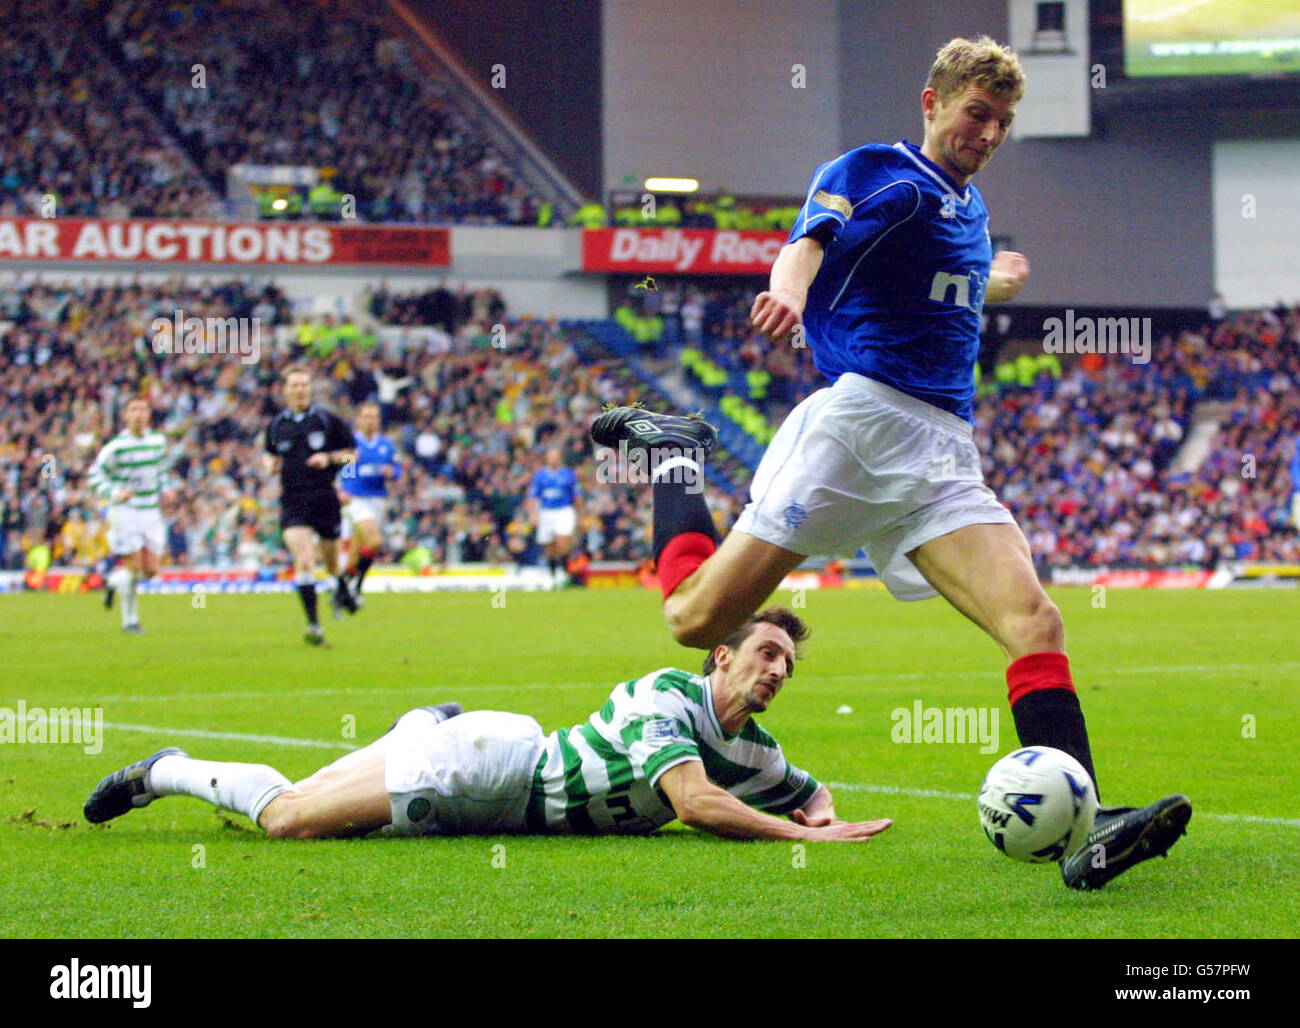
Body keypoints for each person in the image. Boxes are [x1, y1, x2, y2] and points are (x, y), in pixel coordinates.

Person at [591, 36, 1189, 890]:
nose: (987, 133)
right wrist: (789, 292)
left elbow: (950, 281)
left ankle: (1085, 819)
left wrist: (999, 278)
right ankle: (677, 458)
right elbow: (810, 242)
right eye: (975, 113)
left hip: (944, 449)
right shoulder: (882, 172)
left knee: (1036, 623)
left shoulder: (967, 207)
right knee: (694, 622)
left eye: (1003, 123)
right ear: (932, 101)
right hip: (862, 425)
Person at [83, 608, 891, 843]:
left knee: (320, 803)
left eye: (789, 663)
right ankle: (166, 770)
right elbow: (692, 803)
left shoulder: (757, 749)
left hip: (500, 795)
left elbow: (807, 790)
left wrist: (819, 811)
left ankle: (415, 724)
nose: (778, 670)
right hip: (497, 769)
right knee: (292, 819)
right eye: (767, 652)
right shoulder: (665, 697)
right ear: (722, 656)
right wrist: (801, 839)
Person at [263, 365, 357, 645]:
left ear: (310, 389)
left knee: (331, 563)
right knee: (303, 560)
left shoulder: (327, 421)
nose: (300, 390)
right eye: (295, 385)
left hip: (325, 498)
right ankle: (314, 625)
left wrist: (330, 462)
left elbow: (352, 456)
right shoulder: (277, 425)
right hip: (293, 500)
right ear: (285, 390)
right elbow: (268, 455)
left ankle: (340, 586)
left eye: (304, 384)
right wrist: (269, 464)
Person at [86, 397, 171, 634]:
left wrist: (167, 488)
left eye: (143, 409)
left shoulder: (157, 441)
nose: (139, 414)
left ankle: (112, 582)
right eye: (133, 409)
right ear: (125, 415)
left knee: (151, 570)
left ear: (149, 414)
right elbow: (93, 475)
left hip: (151, 512)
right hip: (126, 512)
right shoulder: (116, 446)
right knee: (134, 568)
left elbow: (161, 470)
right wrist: (114, 492)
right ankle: (130, 621)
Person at [338, 401, 402, 608]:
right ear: (358, 420)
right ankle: (358, 586)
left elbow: (397, 468)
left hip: (378, 500)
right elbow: (346, 473)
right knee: (374, 541)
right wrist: (345, 491)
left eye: (374, 417)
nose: (370, 421)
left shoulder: (387, 445)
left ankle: (343, 589)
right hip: (356, 499)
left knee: (357, 552)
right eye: (366, 416)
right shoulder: (351, 443)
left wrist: (392, 472)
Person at [527, 447, 582, 587]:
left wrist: (579, 516)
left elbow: (577, 497)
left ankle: (564, 571)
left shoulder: (569, 474)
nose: (554, 459)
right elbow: (533, 496)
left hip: (564, 510)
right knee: (550, 547)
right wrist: (533, 514)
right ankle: (553, 574)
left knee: (563, 542)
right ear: (547, 459)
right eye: (551, 457)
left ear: (560, 458)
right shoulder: (539, 476)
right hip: (546, 512)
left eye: (556, 457)